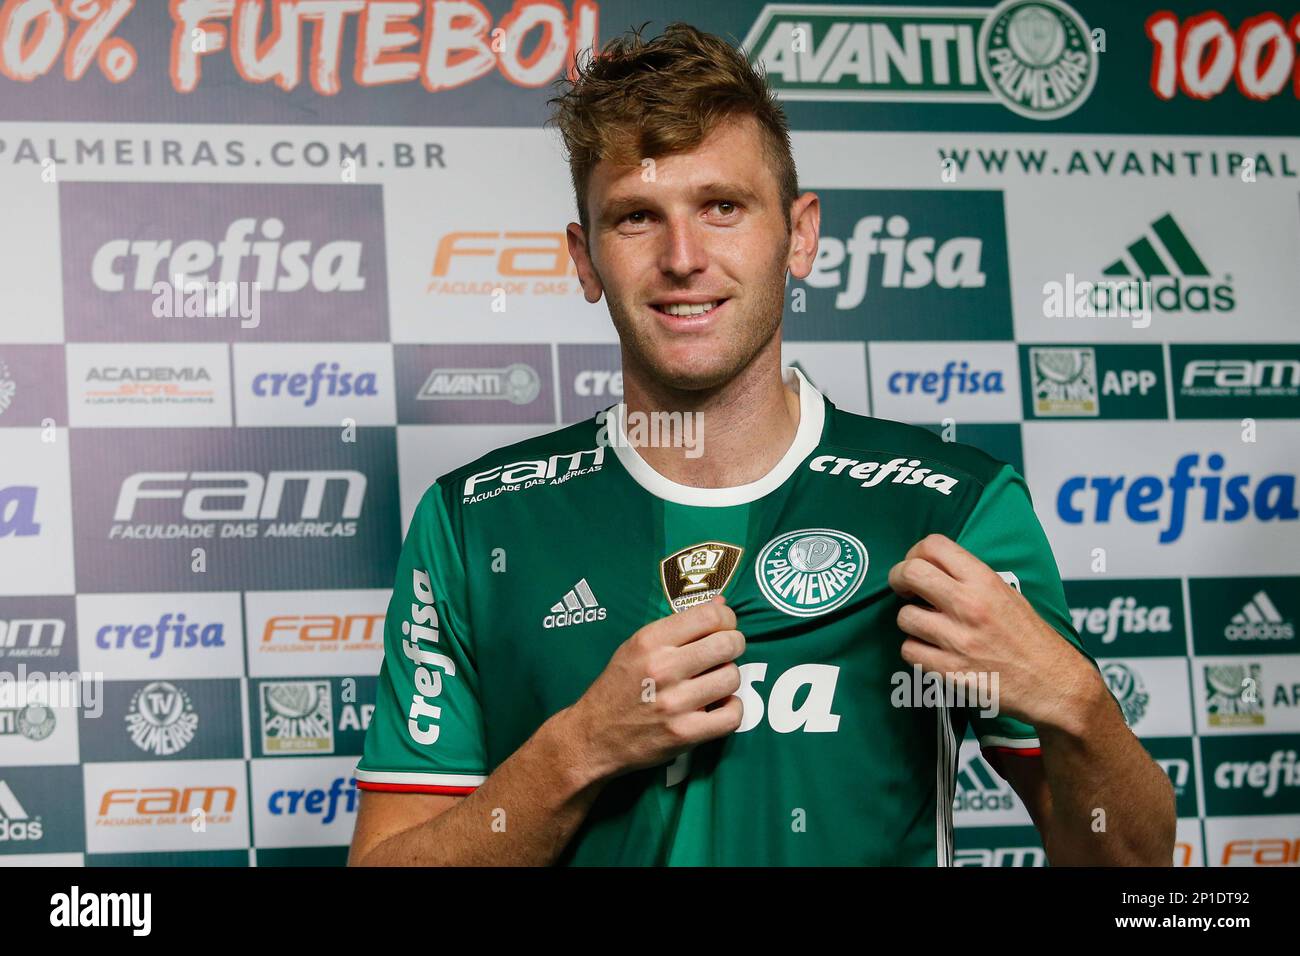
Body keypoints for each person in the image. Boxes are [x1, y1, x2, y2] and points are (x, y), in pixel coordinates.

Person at [348, 22, 1175, 866]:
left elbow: (1136, 877)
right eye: (636, 217)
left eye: (722, 208)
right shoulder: (476, 521)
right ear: (585, 257)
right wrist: (581, 750)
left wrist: (1081, 704)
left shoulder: (953, 506)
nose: (683, 257)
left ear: (800, 234)